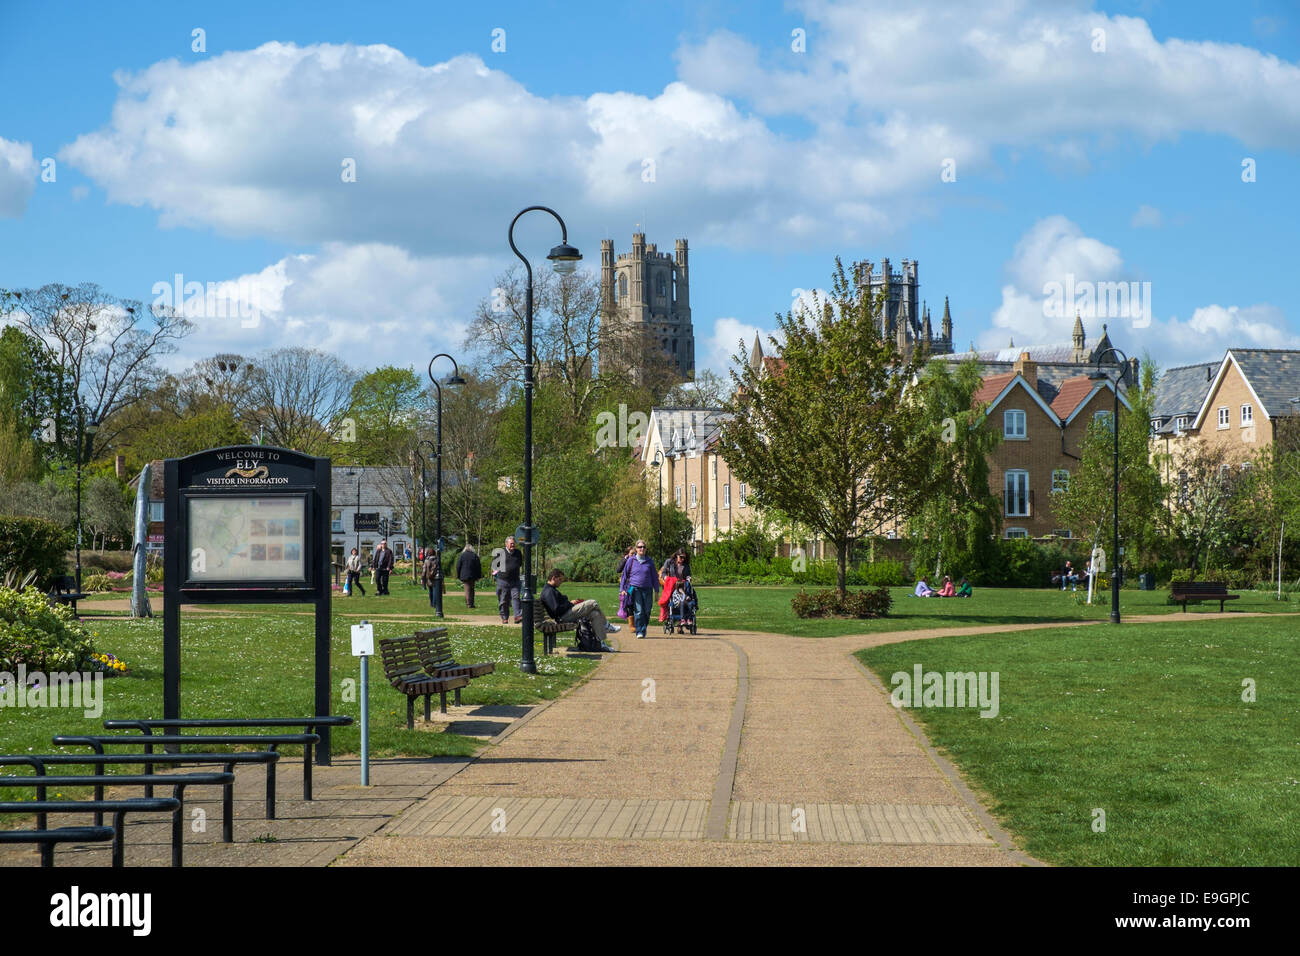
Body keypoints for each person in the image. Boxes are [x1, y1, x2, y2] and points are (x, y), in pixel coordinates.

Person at [540, 569, 619, 645]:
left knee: (595, 614)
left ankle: (601, 643)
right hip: (562, 617)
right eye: (560, 579)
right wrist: (570, 604)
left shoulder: (551, 589)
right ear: (553, 578)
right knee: (592, 602)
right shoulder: (548, 592)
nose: (561, 582)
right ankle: (606, 625)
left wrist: (570, 603)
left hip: (565, 614)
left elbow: (558, 606)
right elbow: (556, 610)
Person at [619, 539, 660, 639]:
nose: (641, 549)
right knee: (639, 610)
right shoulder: (631, 561)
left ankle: (643, 628)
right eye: (639, 547)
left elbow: (655, 577)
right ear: (636, 549)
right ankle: (639, 631)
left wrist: (657, 592)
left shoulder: (650, 562)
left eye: (643, 547)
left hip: (648, 589)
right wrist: (622, 589)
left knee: (647, 610)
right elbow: (624, 575)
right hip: (635, 589)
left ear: (646, 549)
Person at [493, 535, 523, 625]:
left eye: (514, 543)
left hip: (515, 580)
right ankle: (504, 617)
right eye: (511, 543)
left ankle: (517, 616)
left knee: (516, 598)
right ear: (506, 544)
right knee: (503, 600)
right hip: (503, 580)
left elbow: (520, 564)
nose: (512, 545)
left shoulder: (518, 553)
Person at [658, 548, 691, 622]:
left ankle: (684, 619)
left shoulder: (686, 565)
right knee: (668, 597)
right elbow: (663, 572)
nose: (682, 559)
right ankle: (665, 613)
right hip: (671, 584)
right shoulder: (669, 562)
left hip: (682, 585)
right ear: (677, 555)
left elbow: (688, 575)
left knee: (686, 596)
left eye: (684, 557)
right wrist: (665, 577)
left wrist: (689, 578)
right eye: (681, 557)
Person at [455, 543, 482, 609]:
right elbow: (478, 566)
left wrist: (458, 575)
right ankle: (471, 603)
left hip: (464, 575)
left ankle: (468, 603)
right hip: (473, 575)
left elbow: (458, 566)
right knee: (472, 589)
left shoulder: (462, 555)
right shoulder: (474, 555)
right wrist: (479, 576)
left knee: (467, 589)